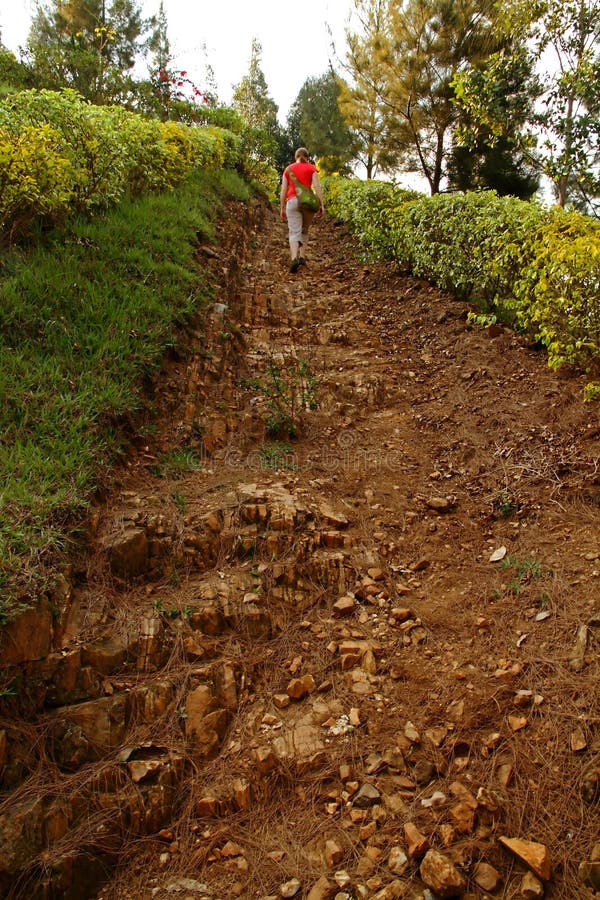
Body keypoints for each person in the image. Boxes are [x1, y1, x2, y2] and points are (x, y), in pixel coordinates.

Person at [280, 147, 324, 273]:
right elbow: (317, 187)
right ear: (307, 157)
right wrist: (321, 205)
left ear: (296, 157)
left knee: (294, 231)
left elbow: (283, 190)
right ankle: (302, 257)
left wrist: (282, 207)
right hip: (308, 202)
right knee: (304, 230)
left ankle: (294, 259)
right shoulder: (311, 168)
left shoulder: (288, 169)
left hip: (292, 201)